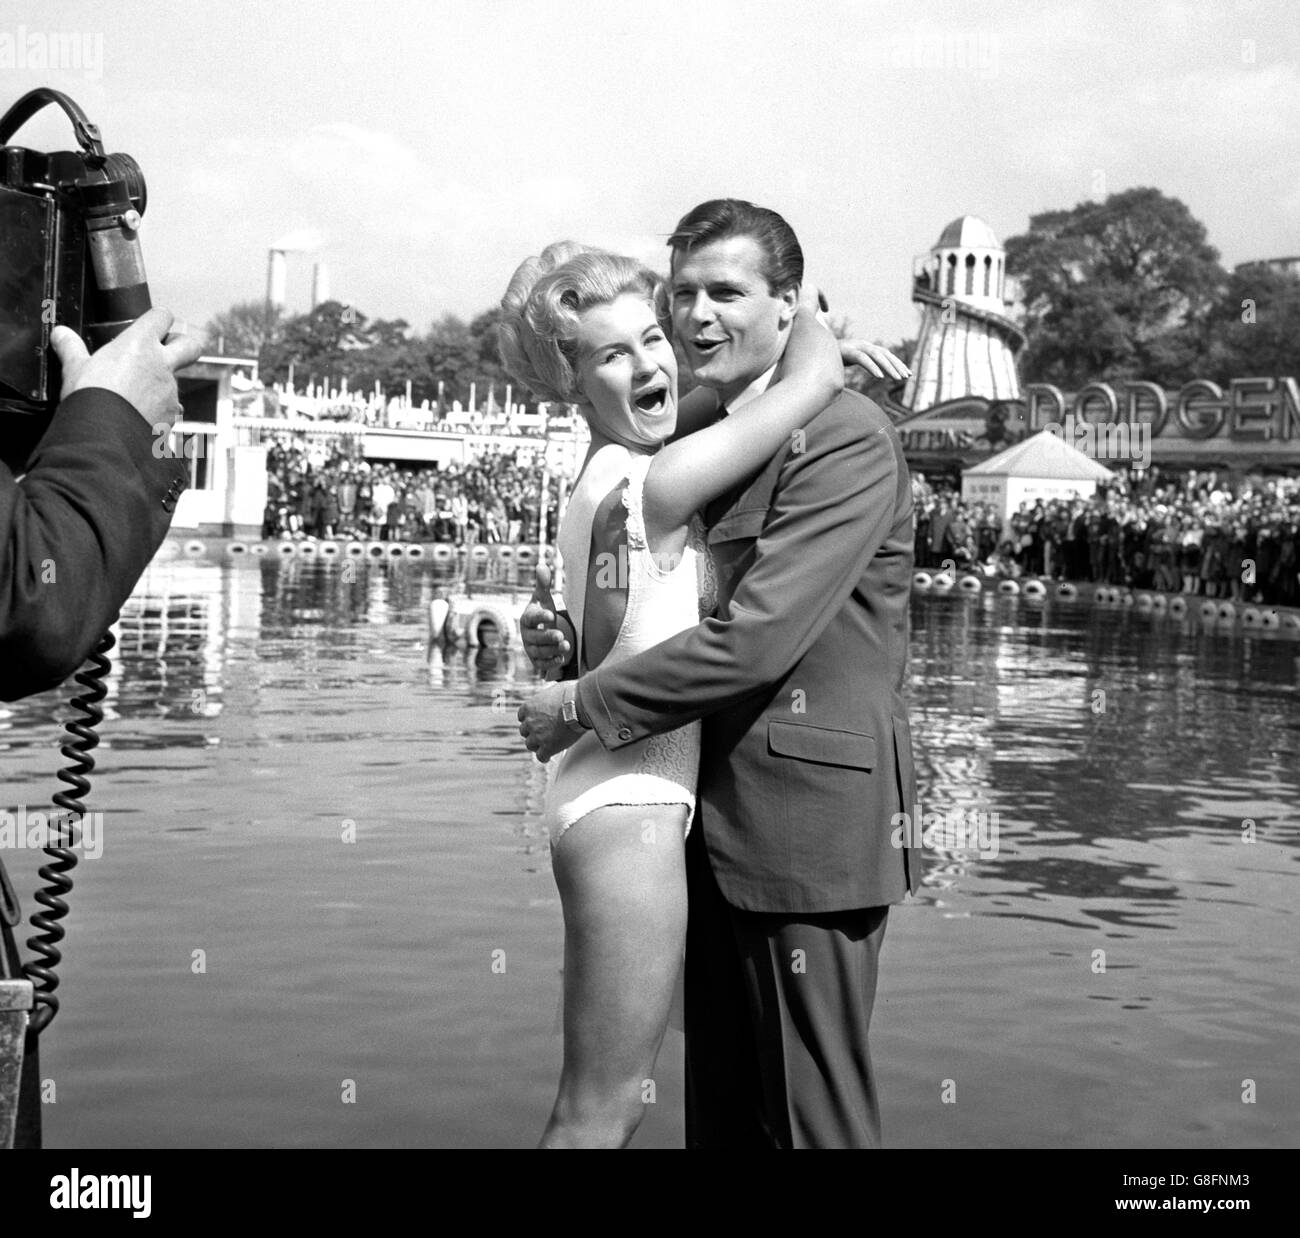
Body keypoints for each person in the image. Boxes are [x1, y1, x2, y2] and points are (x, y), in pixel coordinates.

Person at [518, 198, 923, 1149]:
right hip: (688, 823)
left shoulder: (846, 437)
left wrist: (581, 697)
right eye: (684, 293)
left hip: (801, 834)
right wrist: (576, 641)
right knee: (726, 1125)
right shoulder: (694, 427)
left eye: (728, 294)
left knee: (807, 1127)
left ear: (787, 304)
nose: (696, 320)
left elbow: (756, 641)